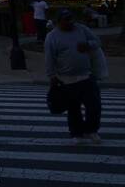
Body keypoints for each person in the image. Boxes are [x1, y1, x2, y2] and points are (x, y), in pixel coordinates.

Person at [45, 9, 107, 144]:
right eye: (66, 20)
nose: (70, 23)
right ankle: (76, 133)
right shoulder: (52, 37)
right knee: (74, 108)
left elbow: (97, 42)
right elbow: (49, 58)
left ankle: (91, 130)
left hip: (86, 76)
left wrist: (88, 45)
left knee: (94, 106)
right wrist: (52, 76)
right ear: (59, 22)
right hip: (66, 79)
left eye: (71, 19)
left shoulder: (82, 29)